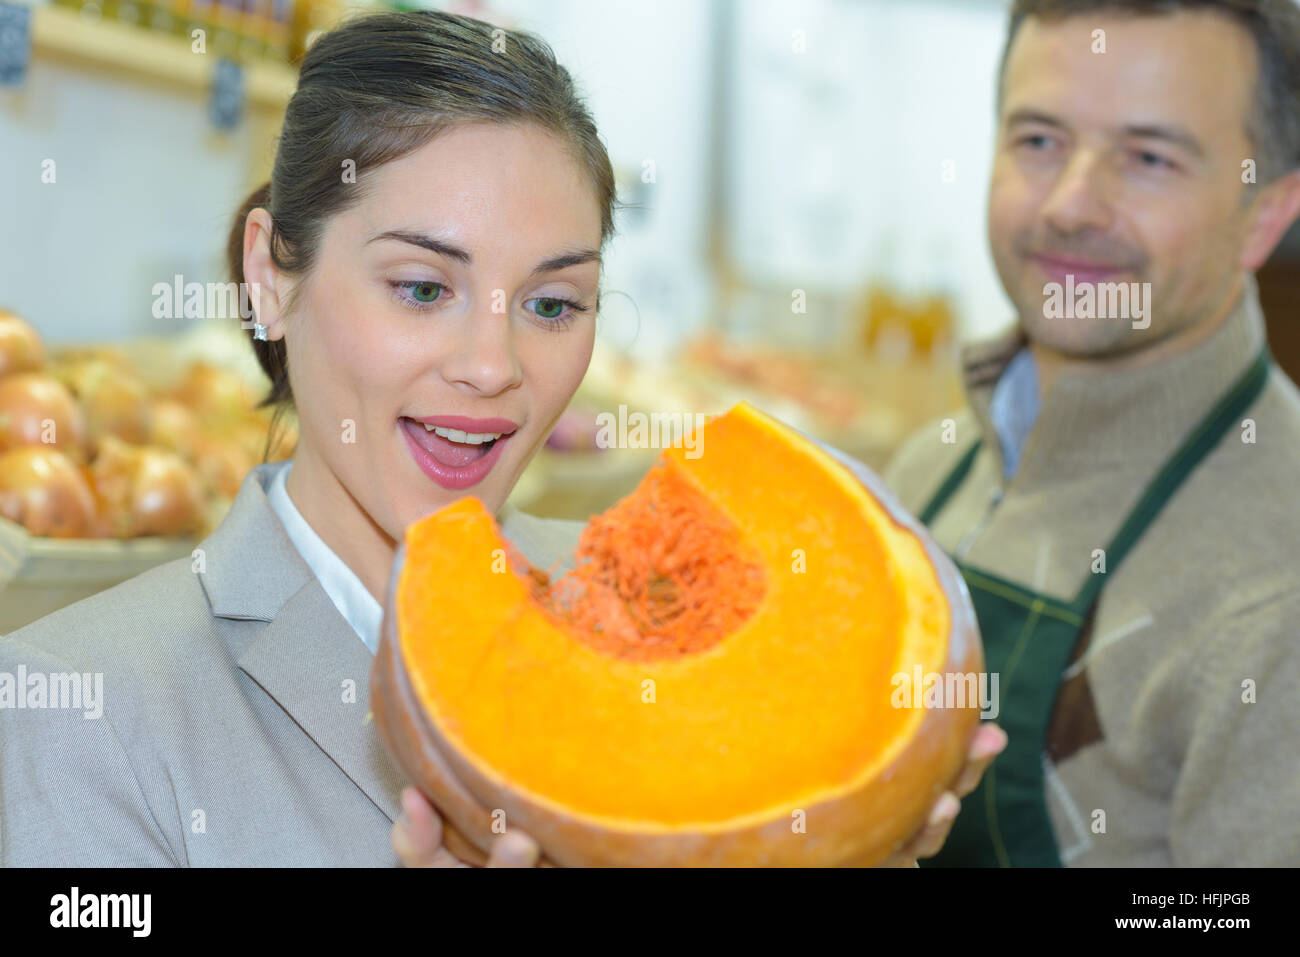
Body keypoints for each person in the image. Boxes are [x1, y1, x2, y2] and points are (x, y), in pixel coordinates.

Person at [0, 9, 1001, 868]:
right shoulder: (64, 711)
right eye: (423, 288)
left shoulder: (647, 627)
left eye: (554, 304)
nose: (493, 365)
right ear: (271, 276)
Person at [884, 0, 1300, 866]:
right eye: (1038, 140)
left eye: (1148, 158)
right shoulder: (925, 470)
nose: (1073, 205)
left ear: (1265, 214)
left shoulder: (1279, 590)